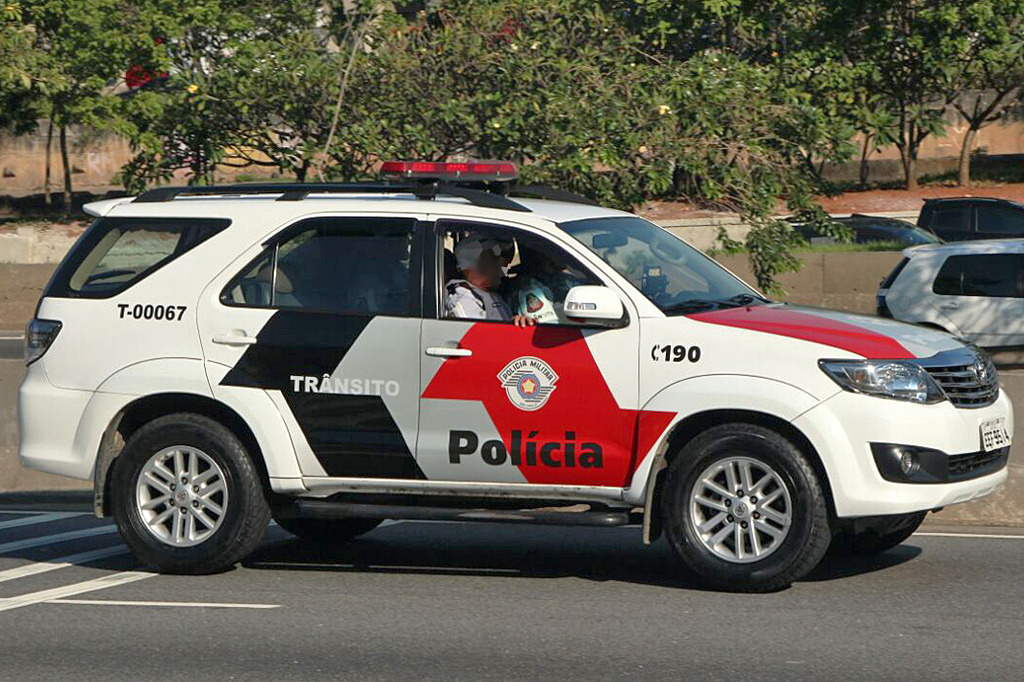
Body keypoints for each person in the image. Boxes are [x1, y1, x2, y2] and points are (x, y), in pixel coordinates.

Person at [445, 235, 535, 327]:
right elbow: (477, 337)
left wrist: (516, 321)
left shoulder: (492, 294)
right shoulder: (464, 300)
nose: (500, 265)